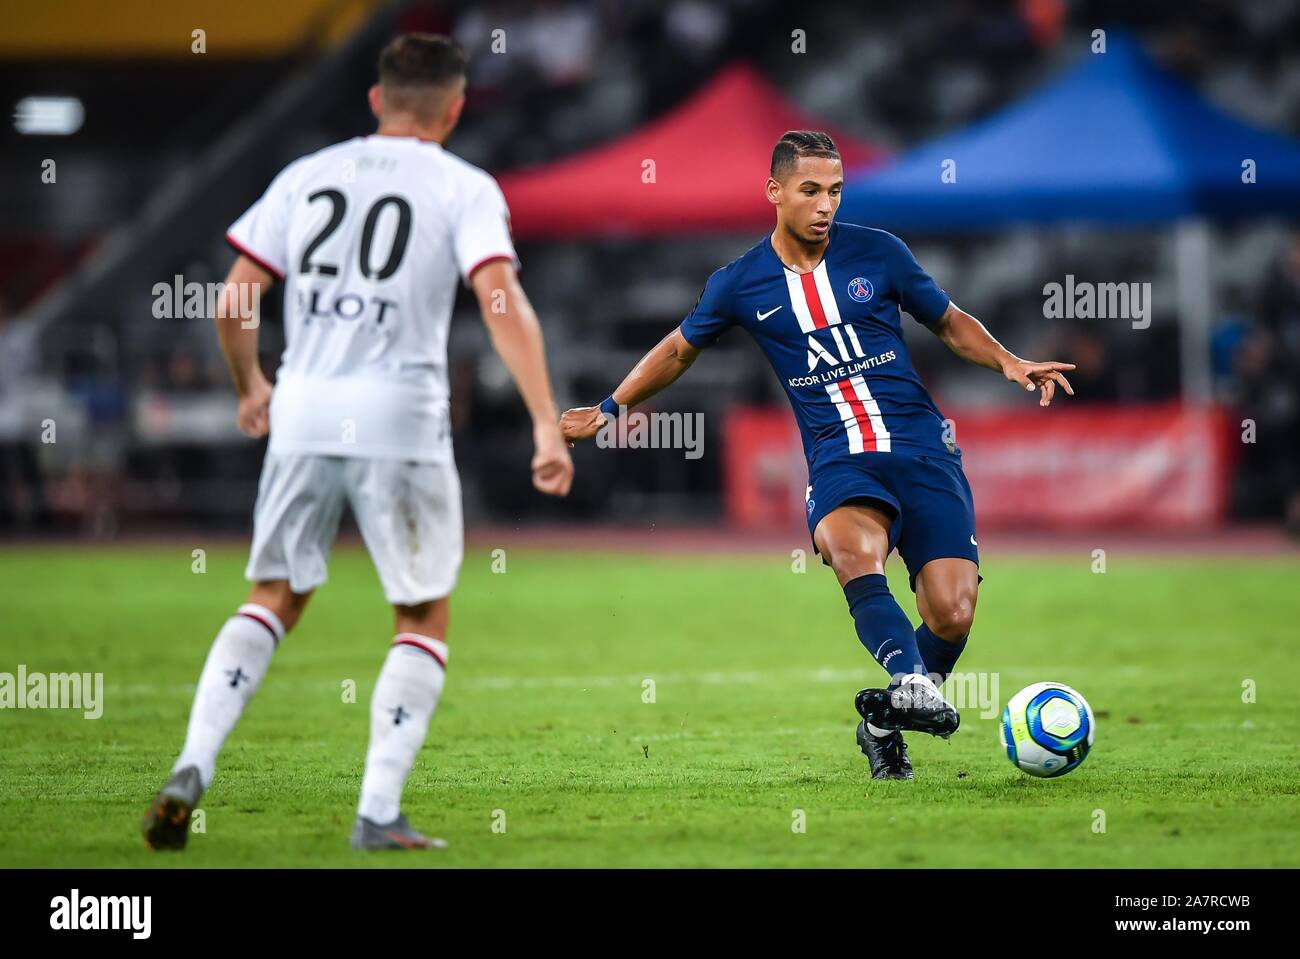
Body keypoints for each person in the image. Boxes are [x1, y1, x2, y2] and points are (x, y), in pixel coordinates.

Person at [143, 34, 573, 850]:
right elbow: (500, 297)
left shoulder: (305, 176)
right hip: (401, 414)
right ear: (454, 109)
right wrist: (545, 417)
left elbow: (234, 299)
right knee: (420, 611)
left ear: (376, 101)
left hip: (304, 406)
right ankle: (377, 810)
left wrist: (251, 387)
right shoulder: (463, 185)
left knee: (274, 593)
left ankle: (192, 762)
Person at [561, 130, 1073, 780]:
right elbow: (676, 350)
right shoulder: (740, 282)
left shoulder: (879, 253)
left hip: (921, 448)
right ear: (775, 192)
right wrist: (610, 408)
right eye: (810, 190)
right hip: (839, 457)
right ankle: (910, 682)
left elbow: (947, 319)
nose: (825, 204)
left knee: (953, 610)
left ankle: (884, 721)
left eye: (834, 189)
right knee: (851, 551)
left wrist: (1008, 360)